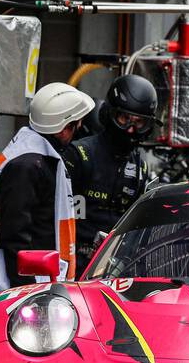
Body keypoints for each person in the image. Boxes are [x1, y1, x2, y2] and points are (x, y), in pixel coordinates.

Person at [0, 82, 94, 294]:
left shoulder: (37, 158)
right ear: (64, 129)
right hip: (27, 288)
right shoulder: (27, 166)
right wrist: (27, 293)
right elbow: (15, 238)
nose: (78, 130)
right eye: (76, 124)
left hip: (41, 282)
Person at [66, 75, 157, 267]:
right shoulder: (80, 155)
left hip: (115, 266)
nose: (130, 129)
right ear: (110, 114)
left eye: (139, 122)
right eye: (124, 119)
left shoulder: (141, 167)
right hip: (73, 261)